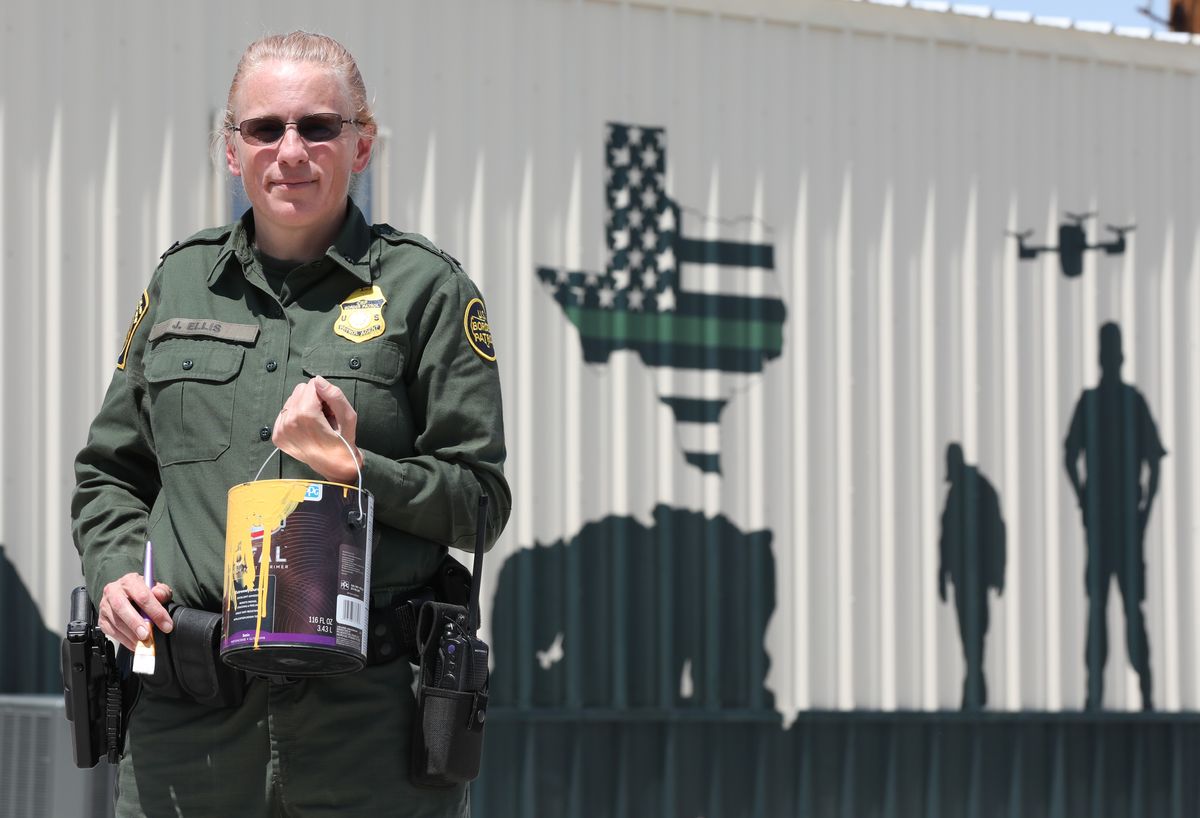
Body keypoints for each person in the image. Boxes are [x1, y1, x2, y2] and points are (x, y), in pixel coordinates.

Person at [71, 31, 510, 817]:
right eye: (264, 128)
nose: (292, 151)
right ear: (231, 151)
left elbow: (480, 501)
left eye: (319, 127)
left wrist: (356, 470)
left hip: (367, 729)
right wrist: (113, 575)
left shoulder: (426, 291)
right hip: (189, 721)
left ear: (363, 145)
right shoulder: (180, 283)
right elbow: (111, 472)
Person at [1064, 322, 1164, 711]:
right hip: (1119, 522)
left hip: (1112, 522)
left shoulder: (1104, 404)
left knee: (1107, 608)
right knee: (1121, 607)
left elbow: (1069, 456)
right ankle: (1135, 694)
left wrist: (1085, 499)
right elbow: (1154, 464)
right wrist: (1143, 511)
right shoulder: (1126, 403)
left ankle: (1111, 694)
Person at [937, 443, 1006, 710]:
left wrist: (998, 571)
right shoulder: (963, 493)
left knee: (974, 631)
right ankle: (974, 686)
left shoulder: (977, 491)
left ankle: (975, 689)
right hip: (967, 578)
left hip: (974, 579)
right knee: (971, 632)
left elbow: (996, 533)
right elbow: (946, 538)